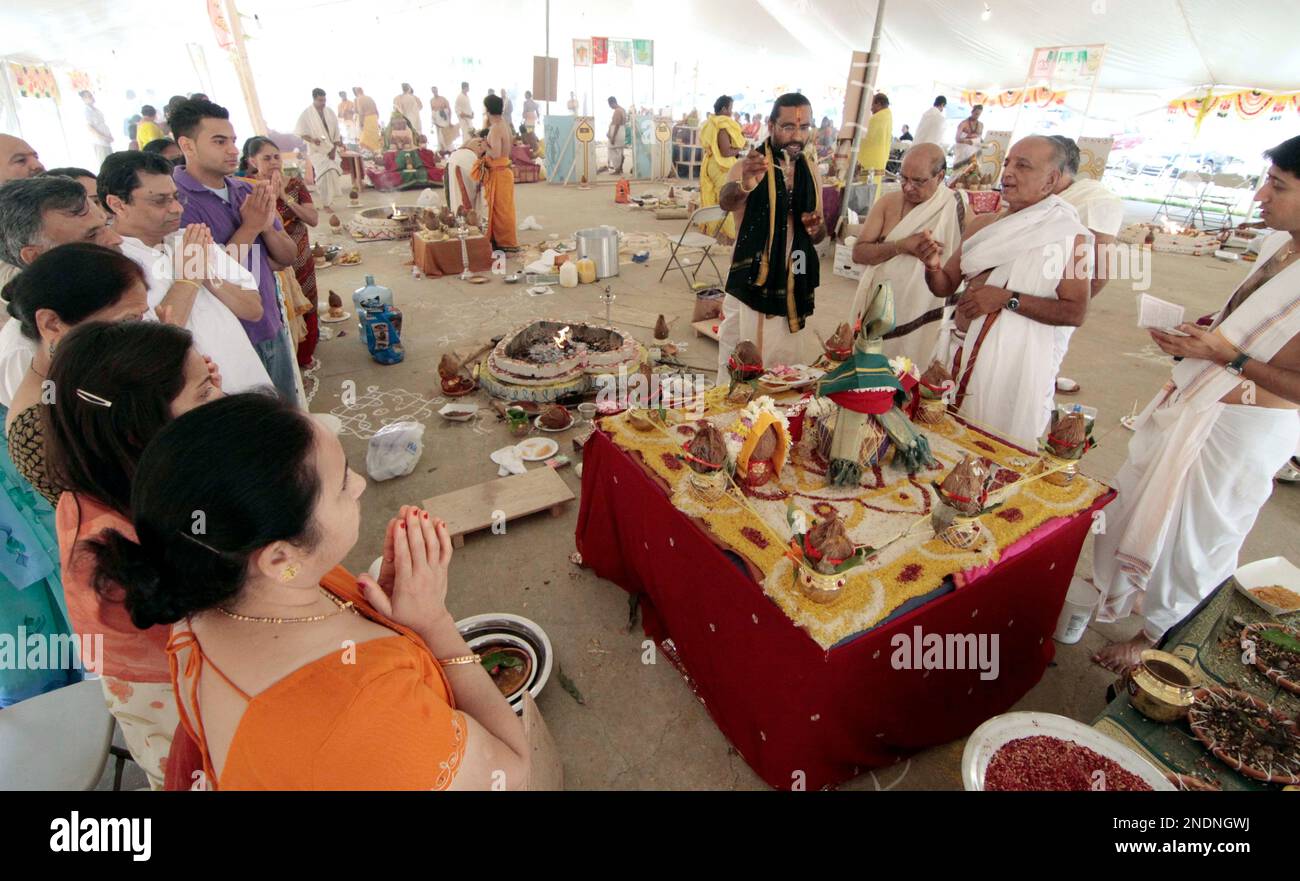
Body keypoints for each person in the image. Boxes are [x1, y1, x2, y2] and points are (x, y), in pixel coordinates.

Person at [89, 392, 533, 790]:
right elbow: (512, 770)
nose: (359, 484)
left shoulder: (205, 591)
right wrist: (434, 625)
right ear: (279, 557)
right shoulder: (362, 716)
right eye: (341, 484)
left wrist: (385, 618)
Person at [1091, 136, 1300, 671]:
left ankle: (1169, 647)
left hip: (1248, 423)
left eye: (1277, 185)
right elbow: (1253, 324)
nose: (1260, 196)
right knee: (1159, 516)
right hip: (1211, 399)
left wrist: (1226, 355)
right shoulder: (1286, 245)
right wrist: (1210, 332)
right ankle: (1152, 623)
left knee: (1200, 542)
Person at [46, 319, 223, 784]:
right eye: (204, 394)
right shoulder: (117, 548)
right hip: (181, 706)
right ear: (139, 428)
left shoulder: (102, 481)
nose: (222, 403)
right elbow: (225, 630)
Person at [919, 136, 1091, 448]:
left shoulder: (1070, 237)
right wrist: (931, 265)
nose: (1008, 172)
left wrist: (1007, 298)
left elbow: (1075, 311)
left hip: (1009, 368)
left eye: (1023, 166)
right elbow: (945, 285)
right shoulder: (982, 225)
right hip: (955, 352)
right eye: (1008, 162)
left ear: (1051, 179)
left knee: (986, 450)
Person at [100, 150, 269, 395]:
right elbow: (152, 349)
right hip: (195, 401)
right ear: (117, 204)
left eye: (176, 197)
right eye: (160, 201)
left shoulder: (190, 239)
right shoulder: (113, 264)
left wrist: (208, 276)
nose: (177, 208)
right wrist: (188, 278)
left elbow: (253, 309)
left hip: (247, 380)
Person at [169, 98, 299, 401]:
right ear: (187, 145)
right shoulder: (176, 204)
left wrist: (265, 226)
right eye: (219, 141)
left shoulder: (247, 189)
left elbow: (287, 257)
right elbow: (203, 275)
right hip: (226, 340)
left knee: (286, 417)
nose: (232, 150)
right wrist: (251, 227)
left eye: (232, 141)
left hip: (270, 322)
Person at [3, 244, 151, 504]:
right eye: (127, 322)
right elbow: (143, 505)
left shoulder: (96, 370)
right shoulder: (39, 426)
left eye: (140, 319)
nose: (139, 335)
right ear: (52, 323)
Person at [716, 92, 826, 377]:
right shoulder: (750, 165)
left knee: (784, 368)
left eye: (804, 127)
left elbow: (820, 231)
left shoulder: (811, 171)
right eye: (788, 126)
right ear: (771, 125)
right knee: (740, 362)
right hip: (751, 281)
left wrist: (815, 228)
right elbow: (725, 202)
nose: (797, 135)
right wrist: (745, 184)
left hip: (793, 282)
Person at [0, 176, 122, 390]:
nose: (114, 239)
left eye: (106, 224)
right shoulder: (25, 353)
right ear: (36, 256)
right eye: (92, 235)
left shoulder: (118, 293)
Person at [850, 143, 964, 365]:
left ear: (940, 176)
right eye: (904, 178)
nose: (908, 187)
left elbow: (965, 266)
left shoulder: (955, 207)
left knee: (912, 373)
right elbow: (859, 253)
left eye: (918, 181)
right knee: (869, 376)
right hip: (880, 308)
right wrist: (902, 246)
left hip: (926, 312)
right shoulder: (888, 203)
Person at [1046, 134, 1125, 395]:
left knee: (1044, 362)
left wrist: (1068, 309)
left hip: (1056, 303)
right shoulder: (1036, 196)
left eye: (1025, 165)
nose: (1010, 172)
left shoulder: (1096, 199)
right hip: (1016, 298)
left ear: (1057, 170)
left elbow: (1099, 271)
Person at [240, 138, 320, 369]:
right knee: (275, 305)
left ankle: (305, 355)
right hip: (265, 261)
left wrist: (285, 196)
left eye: (277, 156)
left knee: (307, 300)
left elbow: (312, 218)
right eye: (267, 158)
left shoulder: (294, 185)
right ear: (252, 161)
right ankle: (285, 358)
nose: (274, 162)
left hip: (298, 257)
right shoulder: (245, 187)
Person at [474, 95, 518, 251]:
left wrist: (485, 147)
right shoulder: (504, 124)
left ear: (487, 109)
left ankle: (505, 242)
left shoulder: (495, 128)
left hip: (499, 172)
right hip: (504, 170)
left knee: (501, 210)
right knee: (504, 208)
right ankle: (504, 241)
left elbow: (496, 153)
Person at [699, 95, 744, 243]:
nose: (731, 112)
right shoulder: (722, 125)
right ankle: (730, 235)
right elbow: (725, 152)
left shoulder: (708, 123)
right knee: (729, 199)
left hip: (710, 163)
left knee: (714, 197)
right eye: (730, 108)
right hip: (720, 166)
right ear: (724, 108)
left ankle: (715, 231)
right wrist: (738, 150)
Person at [293, 88, 344, 213]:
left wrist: (333, 150)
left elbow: (336, 132)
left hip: (331, 148)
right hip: (317, 151)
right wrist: (312, 139)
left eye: (324, 100)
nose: (323, 103)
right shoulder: (306, 114)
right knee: (322, 176)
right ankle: (326, 204)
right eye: (320, 100)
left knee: (332, 172)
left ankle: (329, 201)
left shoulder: (330, 112)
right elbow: (300, 132)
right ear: (314, 99)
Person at [446, 132, 487, 216]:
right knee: (467, 196)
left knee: (454, 194)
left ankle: (457, 216)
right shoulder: (482, 142)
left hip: (452, 160)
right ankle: (467, 219)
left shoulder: (470, 141)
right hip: (465, 162)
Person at [856, 92, 892, 176]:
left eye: (872, 105)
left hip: (869, 163)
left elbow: (865, 139)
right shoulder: (888, 116)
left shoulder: (877, 118)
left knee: (866, 187)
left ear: (878, 104)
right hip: (880, 161)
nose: (871, 109)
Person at [80, 91, 113, 164]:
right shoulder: (86, 111)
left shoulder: (96, 109)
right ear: (83, 99)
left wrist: (109, 136)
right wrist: (104, 137)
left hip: (106, 139)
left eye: (91, 95)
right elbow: (90, 128)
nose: (92, 97)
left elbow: (103, 124)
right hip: (99, 142)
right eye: (89, 96)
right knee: (105, 163)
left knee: (112, 161)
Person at [952, 104, 984, 170]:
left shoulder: (981, 125)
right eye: (976, 114)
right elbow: (957, 139)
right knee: (960, 171)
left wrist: (983, 143)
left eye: (979, 114)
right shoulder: (963, 123)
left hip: (975, 153)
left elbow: (980, 138)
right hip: (963, 153)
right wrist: (967, 141)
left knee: (973, 171)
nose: (977, 116)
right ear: (972, 112)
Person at [353, 87, 382, 154]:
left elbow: (361, 112)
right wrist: (376, 120)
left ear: (357, 92)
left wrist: (361, 123)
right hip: (374, 117)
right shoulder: (369, 98)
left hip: (367, 118)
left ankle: (369, 155)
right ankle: (376, 153)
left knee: (365, 139)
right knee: (374, 137)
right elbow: (377, 110)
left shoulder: (359, 99)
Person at [605, 96, 627, 174]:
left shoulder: (617, 111)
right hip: (621, 131)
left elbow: (617, 124)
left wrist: (613, 137)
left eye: (609, 105)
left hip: (617, 132)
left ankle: (617, 169)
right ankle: (619, 168)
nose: (609, 107)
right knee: (619, 151)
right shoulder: (623, 110)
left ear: (611, 103)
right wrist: (609, 131)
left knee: (612, 150)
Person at [430, 86, 455, 152]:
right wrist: (433, 121)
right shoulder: (431, 100)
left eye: (435, 90)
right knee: (439, 136)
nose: (434, 92)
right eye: (433, 91)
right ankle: (442, 149)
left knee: (446, 134)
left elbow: (449, 109)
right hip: (437, 120)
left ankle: (449, 149)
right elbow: (432, 111)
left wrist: (450, 121)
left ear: (437, 90)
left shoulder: (443, 98)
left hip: (444, 119)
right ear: (432, 92)